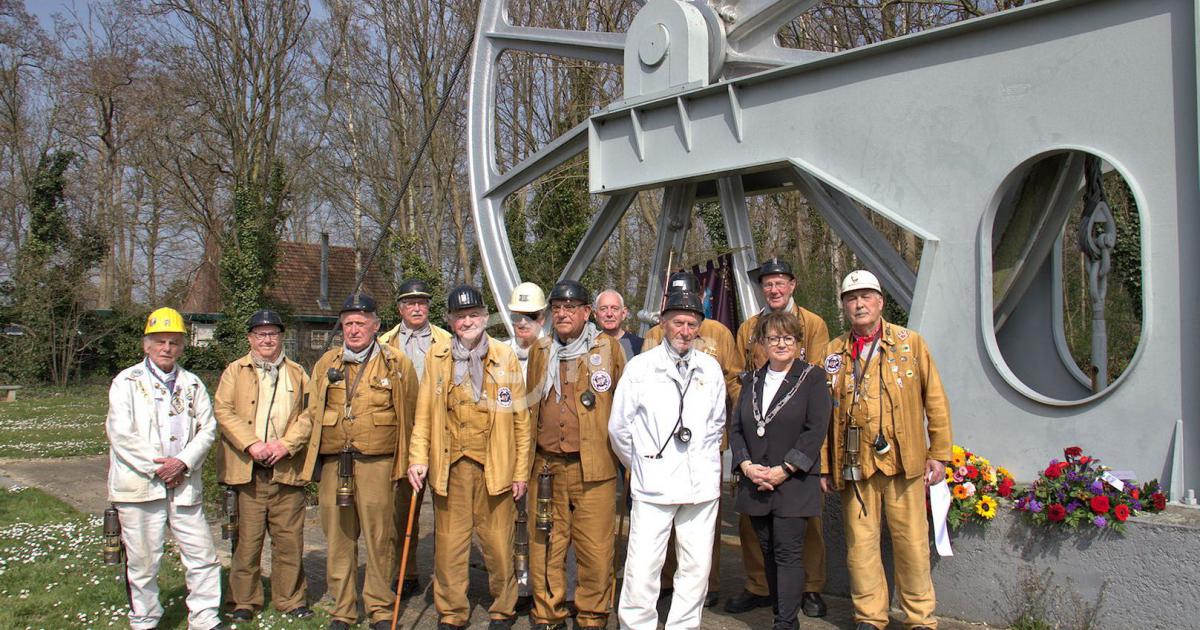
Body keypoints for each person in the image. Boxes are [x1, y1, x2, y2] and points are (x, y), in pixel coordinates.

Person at [822, 270, 952, 630]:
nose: (859, 304)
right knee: (860, 549)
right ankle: (869, 617)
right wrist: (822, 466)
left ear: (880, 301)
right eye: (851, 298)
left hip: (903, 464)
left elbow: (936, 401)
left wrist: (939, 453)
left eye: (866, 297)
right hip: (855, 466)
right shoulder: (833, 352)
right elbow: (819, 415)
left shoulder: (911, 344)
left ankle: (920, 618)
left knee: (912, 545)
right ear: (845, 306)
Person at [407, 285, 532, 630]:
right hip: (450, 467)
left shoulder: (504, 357)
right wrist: (418, 458)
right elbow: (423, 415)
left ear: (485, 317)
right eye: (460, 317)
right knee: (449, 546)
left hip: (496, 467)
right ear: (449, 320)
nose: (467, 322)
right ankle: (451, 611)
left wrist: (520, 471)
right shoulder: (437, 356)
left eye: (473, 315)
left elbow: (521, 420)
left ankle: (503, 608)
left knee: (497, 544)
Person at [299, 293, 418, 630]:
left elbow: (410, 413)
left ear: (376, 326)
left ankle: (379, 608)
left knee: (380, 538)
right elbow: (312, 410)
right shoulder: (326, 364)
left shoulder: (396, 363)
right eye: (348, 323)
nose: (353, 330)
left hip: (377, 464)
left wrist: (407, 463)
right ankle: (343, 609)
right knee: (337, 538)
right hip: (336, 463)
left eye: (360, 323)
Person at [609, 290, 726, 630]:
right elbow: (619, 429)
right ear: (663, 324)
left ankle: (684, 625)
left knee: (695, 567)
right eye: (678, 323)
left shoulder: (710, 368)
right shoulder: (640, 368)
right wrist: (645, 463)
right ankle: (636, 624)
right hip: (653, 486)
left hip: (700, 487)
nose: (685, 331)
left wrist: (700, 458)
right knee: (644, 565)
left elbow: (717, 423)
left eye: (692, 324)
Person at [105, 307, 224, 630]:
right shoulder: (126, 382)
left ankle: (205, 618)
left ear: (182, 346)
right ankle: (144, 618)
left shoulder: (193, 384)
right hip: (139, 486)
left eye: (173, 342)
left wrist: (182, 462)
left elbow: (207, 429)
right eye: (160, 341)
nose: (167, 348)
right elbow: (120, 433)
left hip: (184, 484)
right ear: (146, 345)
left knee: (202, 556)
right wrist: (158, 467)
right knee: (143, 560)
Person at [729, 257, 830, 617]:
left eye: (780, 283)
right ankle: (759, 585)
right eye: (767, 284)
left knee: (803, 529)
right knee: (756, 530)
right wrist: (744, 454)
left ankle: (810, 588)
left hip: (795, 447)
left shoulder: (813, 324)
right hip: (756, 447)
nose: (773, 289)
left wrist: (806, 462)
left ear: (792, 285)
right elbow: (737, 375)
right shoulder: (748, 327)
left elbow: (817, 387)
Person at [525, 280, 626, 630]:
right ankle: (548, 613)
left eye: (571, 307)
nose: (563, 313)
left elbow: (625, 407)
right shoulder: (541, 350)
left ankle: (592, 615)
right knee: (547, 543)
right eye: (558, 308)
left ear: (587, 312)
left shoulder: (609, 349)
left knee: (595, 549)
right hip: (547, 466)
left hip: (594, 468)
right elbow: (530, 405)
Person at [642, 271, 742, 608]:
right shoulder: (655, 335)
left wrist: (731, 435)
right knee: (661, 526)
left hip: (704, 449)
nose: (684, 330)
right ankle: (667, 581)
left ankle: (708, 584)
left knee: (702, 527)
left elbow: (730, 382)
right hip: (660, 450)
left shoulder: (720, 333)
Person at [214, 309, 314, 622]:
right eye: (261, 334)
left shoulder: (298, 372)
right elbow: (223, 411)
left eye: (272, 334)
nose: (267, 339)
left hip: (286, 471)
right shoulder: (234, 371)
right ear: (250, 338)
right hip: (247, 472)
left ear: (281, 337)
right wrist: (252, 445)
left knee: (289, 541)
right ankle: (243, 602)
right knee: (247, 542)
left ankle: (291, 600)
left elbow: (310, 416)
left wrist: (285, 445)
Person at [379, 277, 449, 598]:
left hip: (442, 435)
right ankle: (405, 572)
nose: (417, 307)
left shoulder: (447, 340)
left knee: (447, 514)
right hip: (404, 437)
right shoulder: (383, 344)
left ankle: (444, 579)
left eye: (422, 302)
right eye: (410, 303)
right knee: (402, 510)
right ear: (400, 308)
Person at [506, 281, 548, 377]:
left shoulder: (555, 353)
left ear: (542, 319)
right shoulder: (498, 352)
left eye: (530, 316)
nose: (523, 322)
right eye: (517, 316)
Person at [594, 289, 643, 360]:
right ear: (595, 315)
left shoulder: (640, 347)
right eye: (603, 309)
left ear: (623, 314)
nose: (609, 314)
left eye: (615, 309)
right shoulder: (588, 346)